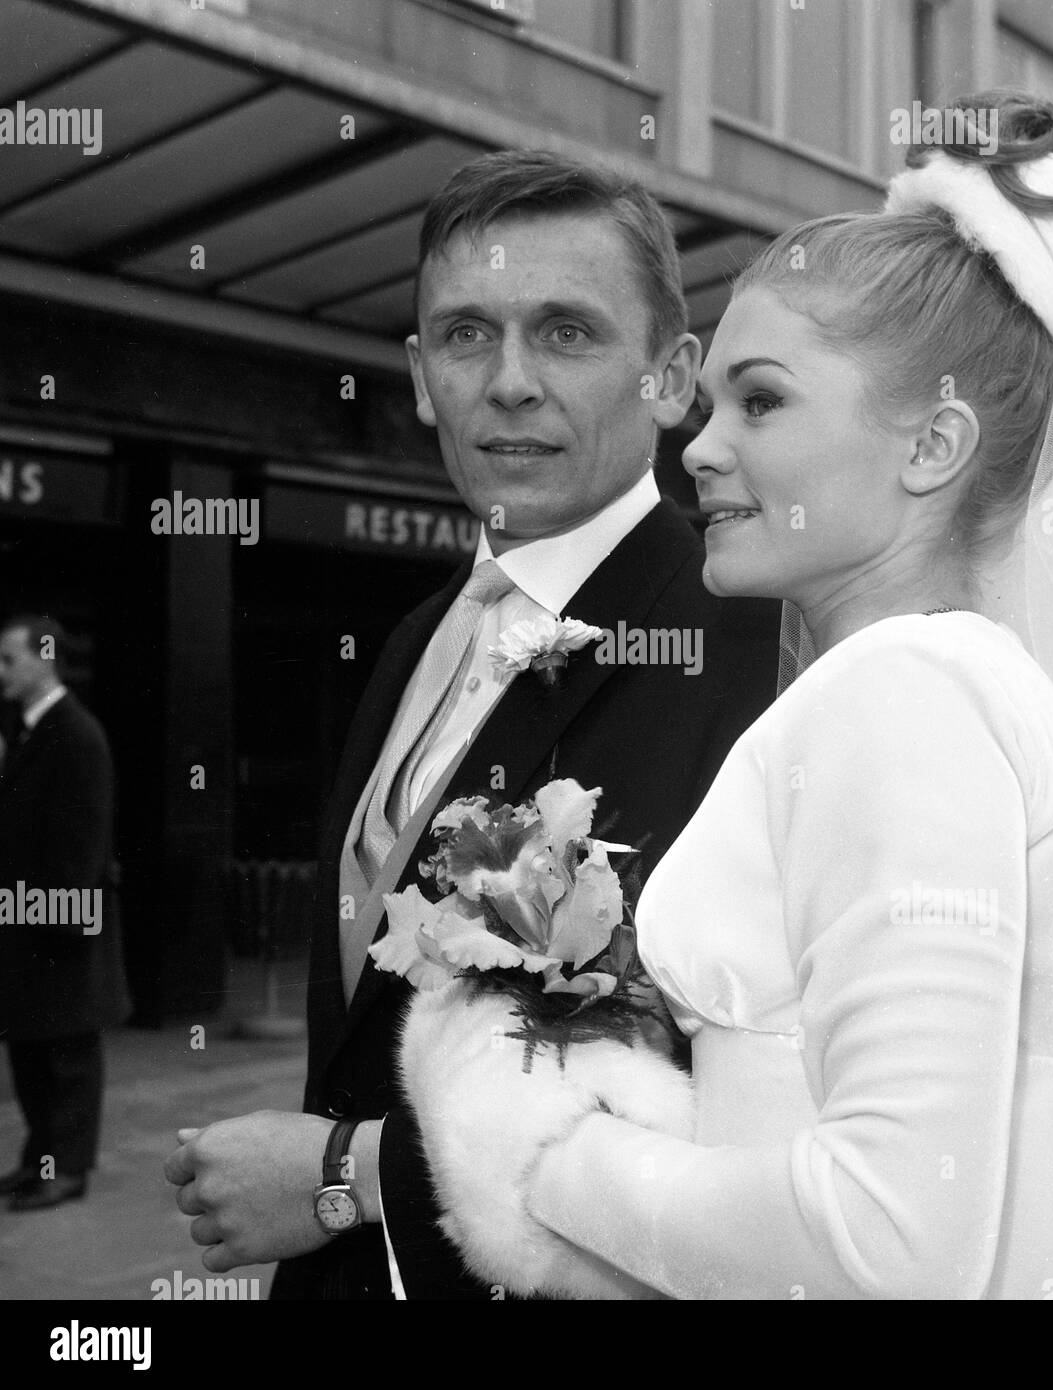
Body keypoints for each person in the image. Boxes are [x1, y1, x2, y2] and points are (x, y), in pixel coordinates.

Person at [411, 94, 1053, 1299]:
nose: (699, 447)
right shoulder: (929, 689)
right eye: (712, 401)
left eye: (761, 400)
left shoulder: (903, 707)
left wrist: (538, 1155)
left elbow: (888, 1238)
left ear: (930, 446)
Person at [162, 150, 779, 1298]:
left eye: (566, 332)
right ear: (414, 373)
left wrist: (351, 1175)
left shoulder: (753, 648)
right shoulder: (414, 639)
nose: (508, 382)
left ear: (671, 375)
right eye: (463, 334)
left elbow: (738, 1102)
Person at [0, 613, 130, 1211]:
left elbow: (82, 845)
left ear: (44, 659)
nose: (1, 672)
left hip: (59, 930)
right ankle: (38, 1160)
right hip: (29, 926)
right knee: (32, 1052)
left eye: (9, 660)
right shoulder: (31, 730)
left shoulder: (75, 733)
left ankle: (66, 1169)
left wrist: (57, 929)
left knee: (66, 1055)